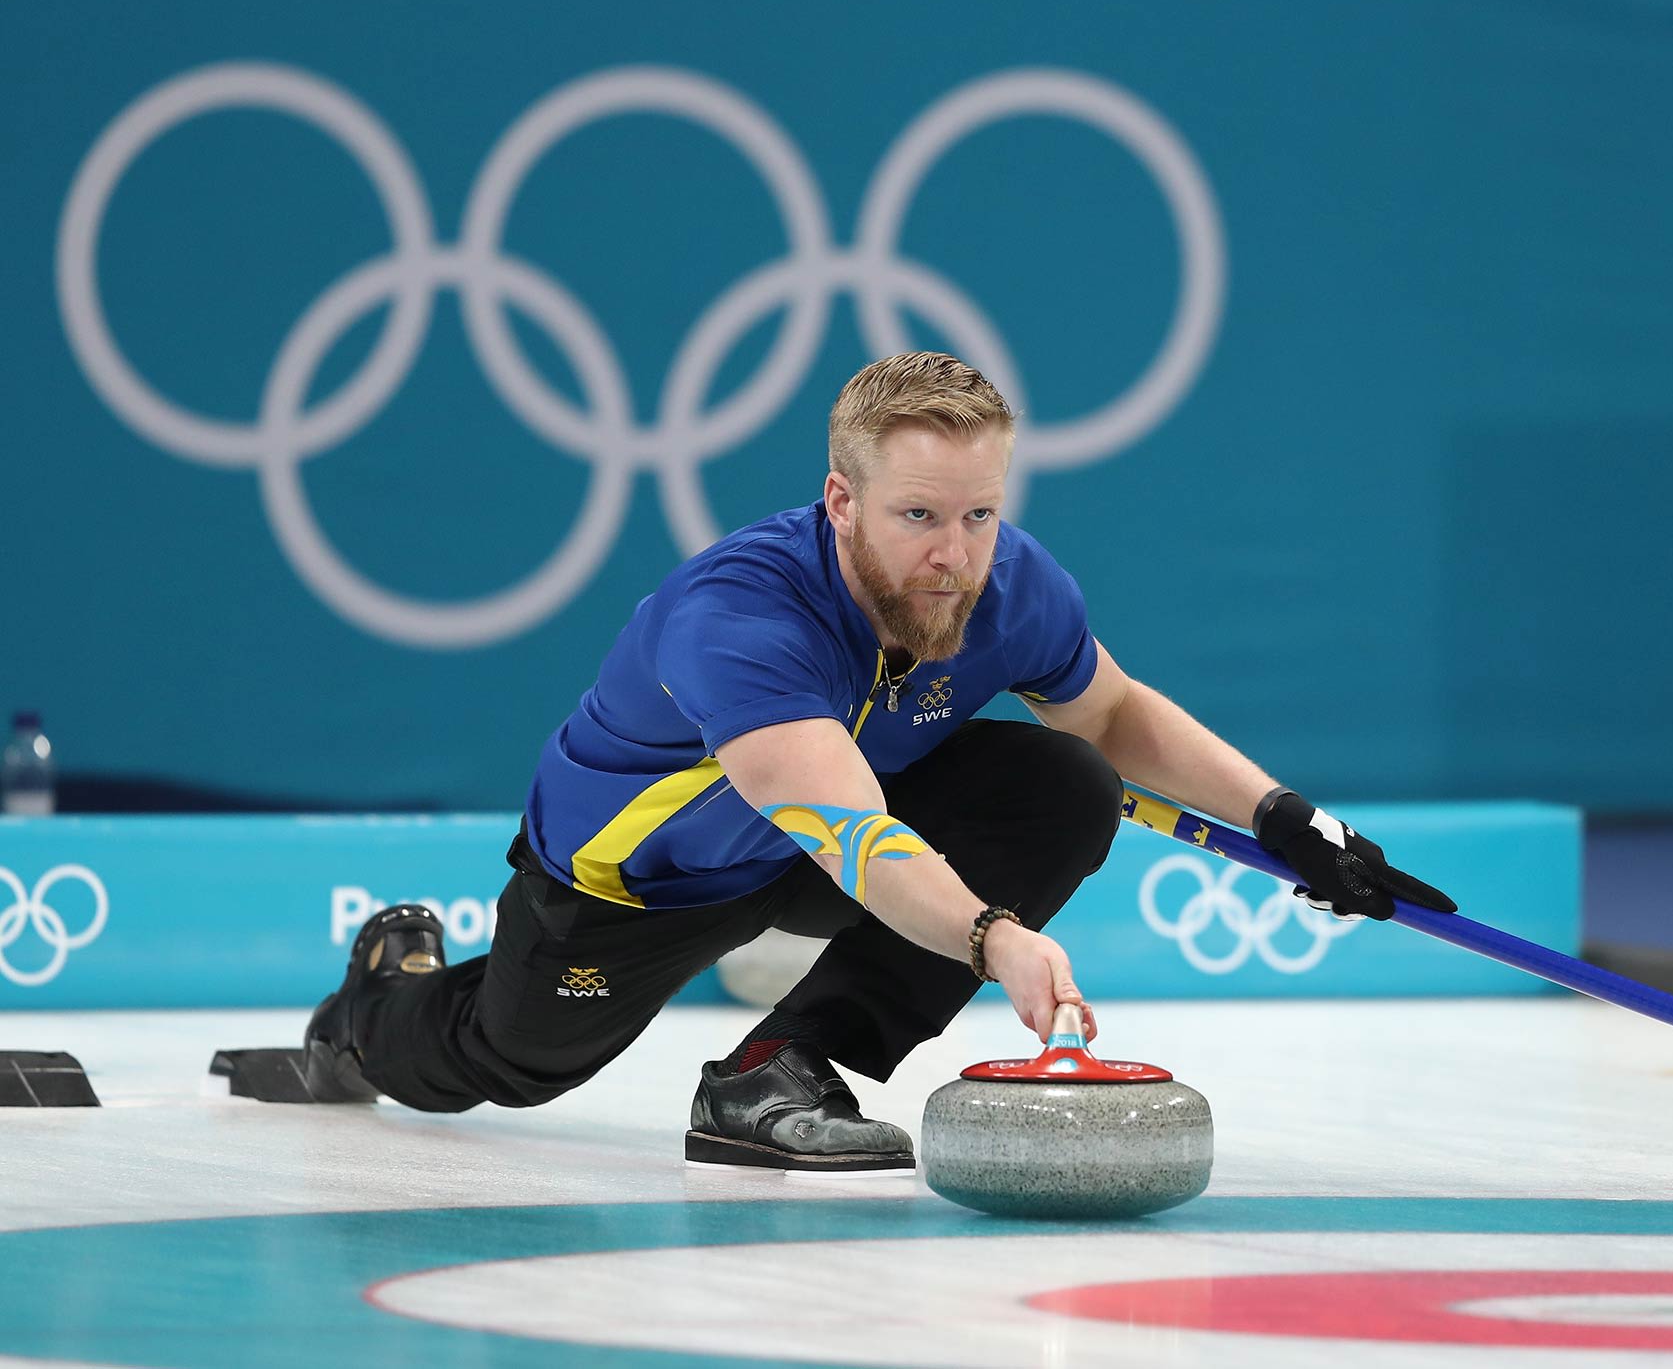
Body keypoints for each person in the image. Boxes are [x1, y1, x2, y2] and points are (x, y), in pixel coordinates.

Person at [299, 351, 1455, 1171]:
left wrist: (1287, 817)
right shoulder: (739, 621)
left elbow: (1109, 716)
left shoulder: (1009, 583)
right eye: (917, 518)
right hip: (640, 880)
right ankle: (375, 998)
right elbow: (852, 832)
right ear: (839, 500)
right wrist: (995, 938)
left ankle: (781, 1065)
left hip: (830, 845)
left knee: (1066, 785)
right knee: (506, 1063)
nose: (954, 557)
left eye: (979, 516)